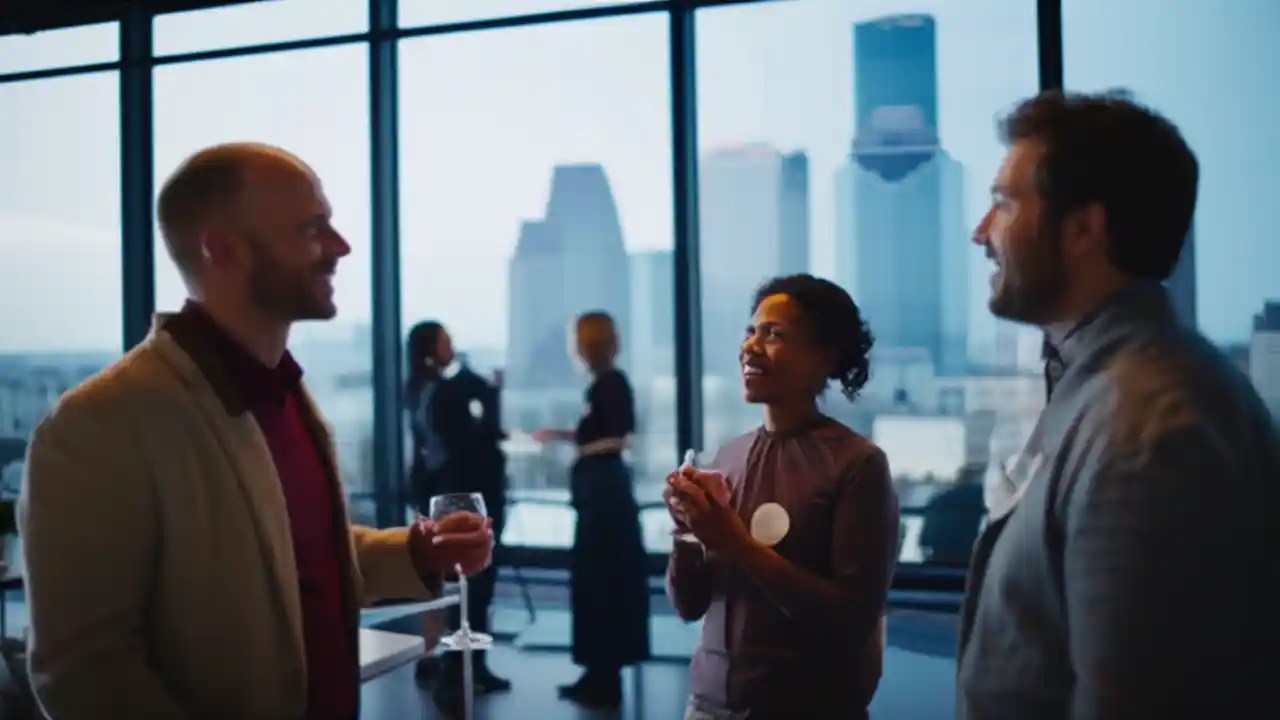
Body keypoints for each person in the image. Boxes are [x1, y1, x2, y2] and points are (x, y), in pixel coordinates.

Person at [17, 142, 494, 720]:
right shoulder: (99, 425)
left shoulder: (285, 395)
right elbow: (84, 679)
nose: (340, 248)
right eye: (312, 230)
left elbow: (282, 559)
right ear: (222, 249)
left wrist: (418, 551)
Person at [958, 91, 1280, 719]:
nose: (981, 233)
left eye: (1003, 203)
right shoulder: (1101, 388)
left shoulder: (1151, 425)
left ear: (1084, 229)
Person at [666, 274, 900, 720]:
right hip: (707, 706)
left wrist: (736, 544)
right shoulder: (727, 458)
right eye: (750, 332)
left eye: (773, 334)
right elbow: (688, 606)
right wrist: (686, 534)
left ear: (825, 358)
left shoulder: (857, 464)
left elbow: (850, 620)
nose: (750, 347)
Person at [533, 311, 650, 708]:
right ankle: (599, 673)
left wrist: (578, 446)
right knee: (600, 582)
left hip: (604, 502)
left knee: (600, 582)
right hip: (604, 497)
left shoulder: (610, 384)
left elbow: (615, 437)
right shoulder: (606, 385)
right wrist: (567, 436)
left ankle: (602, 675)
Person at [404, 320, 511, 710]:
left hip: (437, 494)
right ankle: (461, 672)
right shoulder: (448, 392)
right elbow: (475, 438)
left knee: (451, 587)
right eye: (446, 341)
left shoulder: (418, 390)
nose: (453, 347)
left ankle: (459, 667)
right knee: (471, 586)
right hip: (462, 497)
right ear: (431, 349)